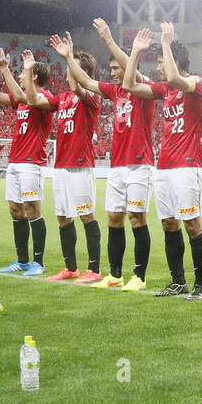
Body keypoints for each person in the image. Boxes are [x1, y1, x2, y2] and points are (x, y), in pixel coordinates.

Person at [58, 19, 156, 290]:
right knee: (114, 219)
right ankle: (114, 275)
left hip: (139, 165)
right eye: (111, 68)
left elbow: (129, 68)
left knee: (138, 219)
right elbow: (87, 81)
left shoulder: (143, 88)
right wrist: (68, 57)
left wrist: (110, 40)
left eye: (116, 68)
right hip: (117, 166)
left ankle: (139, 276)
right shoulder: (114, 92)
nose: (112, 73)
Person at [123, 24, 202, 300]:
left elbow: (174, 77)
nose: (158, 67)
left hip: (186, 165)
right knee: (169, 224)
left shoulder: (196, 83)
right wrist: (136, 52)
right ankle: (178, 282)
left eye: (160, 61)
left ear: (174, 61)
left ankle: (201, 285)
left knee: (191, 224)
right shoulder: (165, 90)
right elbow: (128, 85)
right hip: (164, 166)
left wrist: (166, 43)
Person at [0, 45, 58, 276]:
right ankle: (22, 260)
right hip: (15, 161)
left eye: (23, 72)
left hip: (31, 162)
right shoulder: (22, 100)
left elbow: (20, 95)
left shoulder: (43, 97)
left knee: (32, 210)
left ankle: (38, 262)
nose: (19, 75)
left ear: (34, 76)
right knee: (16, 211)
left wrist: (5, 68)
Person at [42, 34, 106, 284]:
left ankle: (94, 269)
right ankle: (70, 268)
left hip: (81, 166)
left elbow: (78, 87)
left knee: (86, 216)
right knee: (62, 217)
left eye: (76, 67)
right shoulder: (64, 99)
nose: (71, 71)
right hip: (60, 167)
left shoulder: (91, 96)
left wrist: (68, 57)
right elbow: (39, 99)